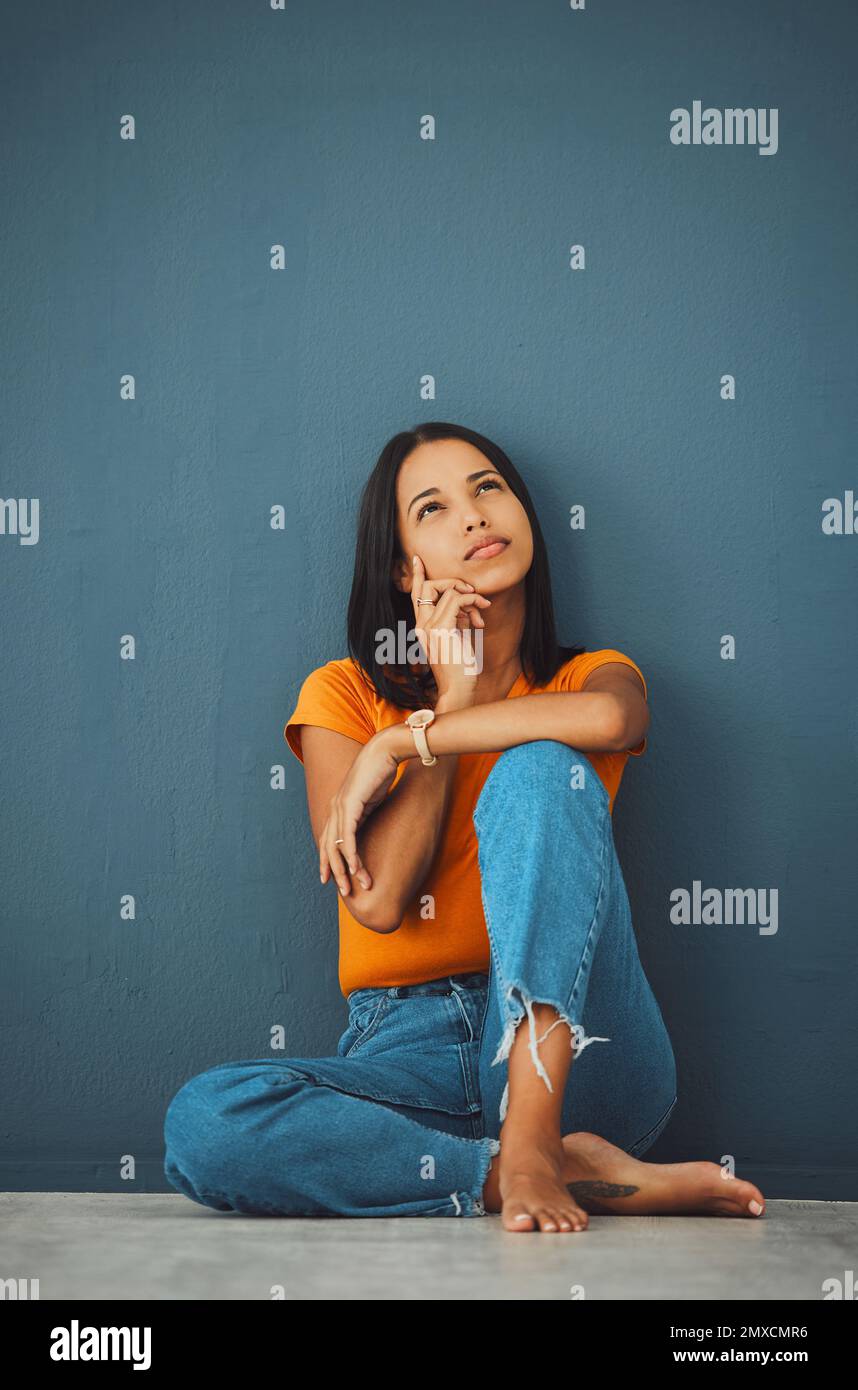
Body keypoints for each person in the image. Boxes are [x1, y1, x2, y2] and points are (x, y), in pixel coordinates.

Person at [163, 421, 766, 1232]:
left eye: (488, 488)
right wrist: (456, 701)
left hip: (584, 1052)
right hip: (406, 1056)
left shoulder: (585, 677)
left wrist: (414, 739)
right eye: (434, 507)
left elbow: (615, 717)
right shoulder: (345, 695)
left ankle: (534, 1136)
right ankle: (531, 1170)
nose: (475, 516)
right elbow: (376, 903)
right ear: (401, 565)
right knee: (204, 1122)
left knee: (540, 765)